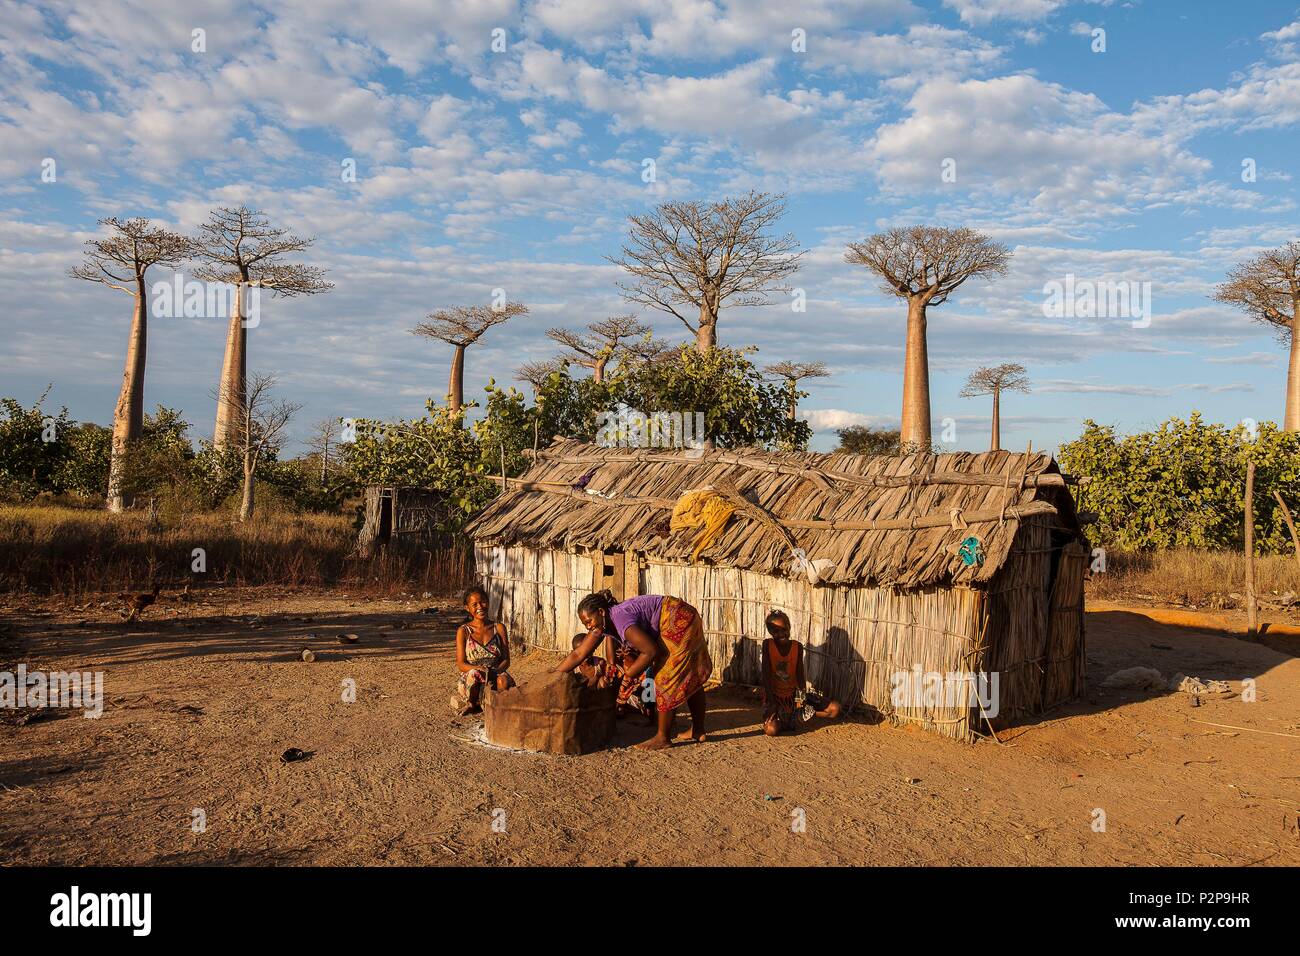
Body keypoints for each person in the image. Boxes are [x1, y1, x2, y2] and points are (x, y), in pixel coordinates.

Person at [555, 590, 712, 749]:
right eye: (585, 625)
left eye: (589, 621)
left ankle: (662, 737)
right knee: (689, 674)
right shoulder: (602, 625)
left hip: (678, 618)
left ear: (601, 612)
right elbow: (579, 654)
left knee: (664, 676)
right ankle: (697, 730)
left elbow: (650, 651)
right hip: (681, 614)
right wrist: (555, 674)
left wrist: (628, 674)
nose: (589, 627)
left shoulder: (620, 619)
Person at [761, 609, 841, 736]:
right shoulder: (767, 645)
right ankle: (787, 720)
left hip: (793, 696)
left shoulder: (796, 646)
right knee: (772, 730)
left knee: (834, 708)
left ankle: (800, 717)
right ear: (770, 632)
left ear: (789, 627)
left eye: (784, 629)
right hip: (774, 698)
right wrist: (772, 703)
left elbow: (799, 674)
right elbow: (765, 676)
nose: (781, 634)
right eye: (776, 631)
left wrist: (801, 698)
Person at [452, 586, 515, 716]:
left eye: (483, 602)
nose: (480, 607)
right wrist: (480, 669)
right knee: (474, 674)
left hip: (495, 672)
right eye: (474, 604)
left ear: (488, 602)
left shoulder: (498, 628)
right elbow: (461, 664)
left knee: (503, 681)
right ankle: (472, 703)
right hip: (473, 675)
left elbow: (506, 660)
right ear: (467, 608)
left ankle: (497, 706)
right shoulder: (463, 631)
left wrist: (495, 671)